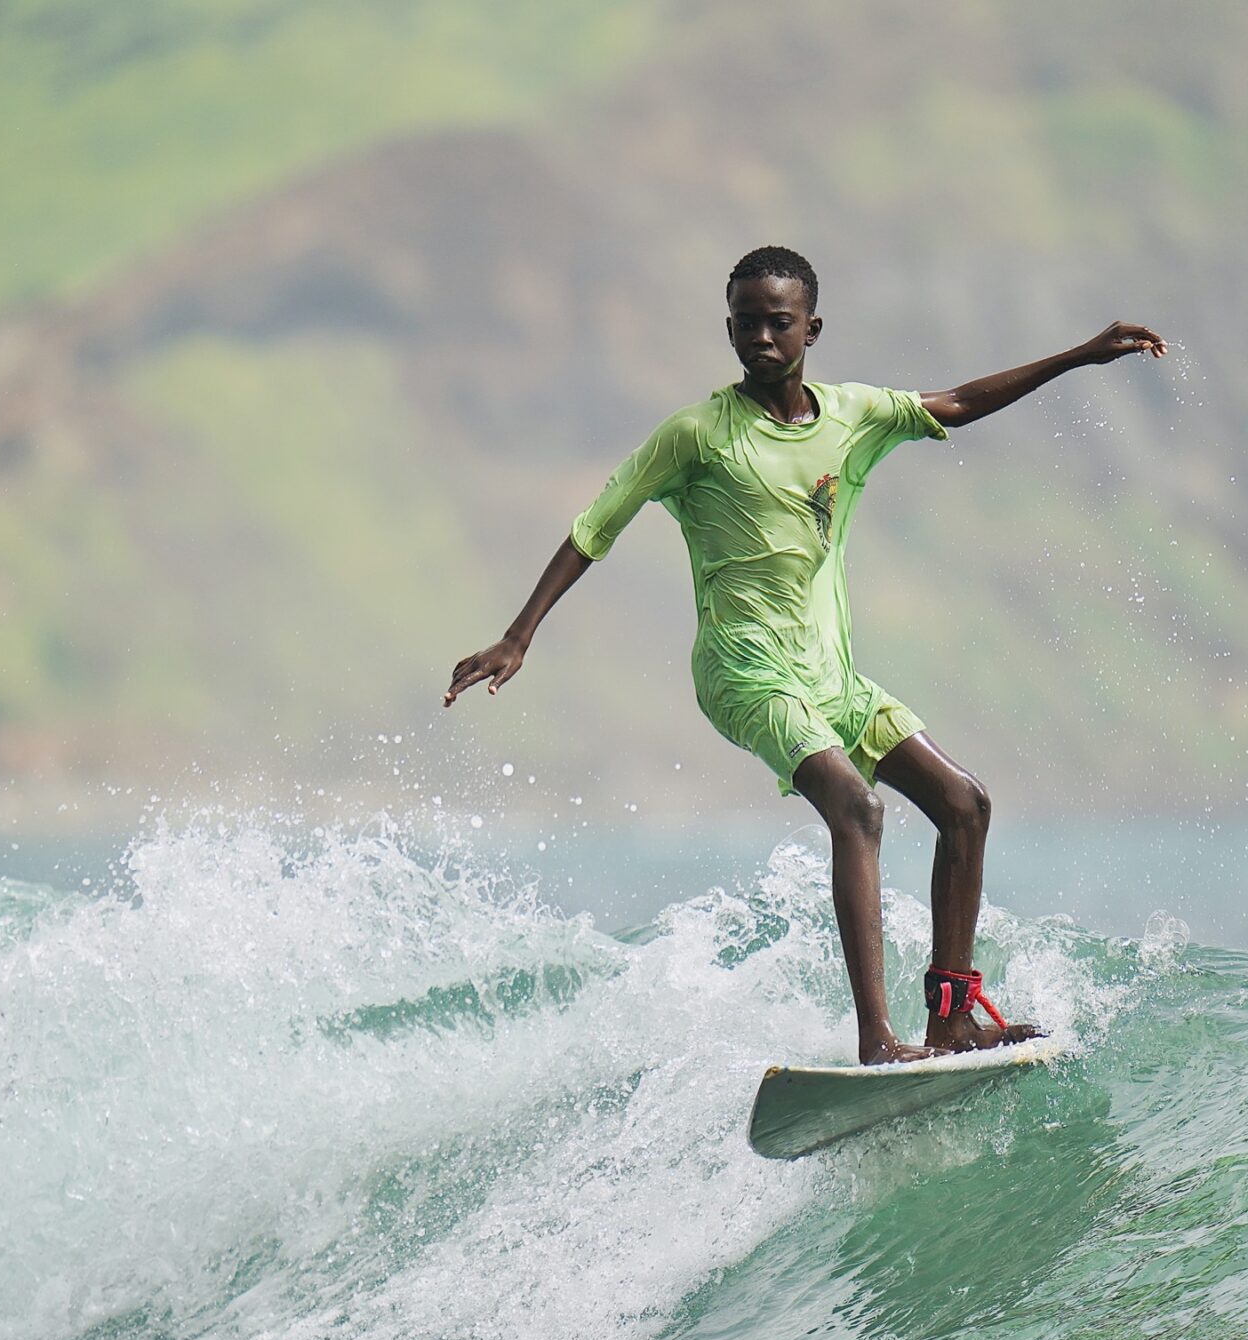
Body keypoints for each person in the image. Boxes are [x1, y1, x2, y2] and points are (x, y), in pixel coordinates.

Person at [446, 246, 1167, 1064]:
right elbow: (594, 527)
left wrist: (1080, 354)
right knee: (856, 808)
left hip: (831, 677)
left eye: (777, 322)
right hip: (742, 670)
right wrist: (519, 634)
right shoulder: (695, 435)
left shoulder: (854, 415)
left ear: (811, 329)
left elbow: (960, 401)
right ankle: (876, 1039)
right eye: (744, 322)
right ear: (728, 327)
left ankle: (951, 1016)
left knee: (965, 806)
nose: (760, 336)